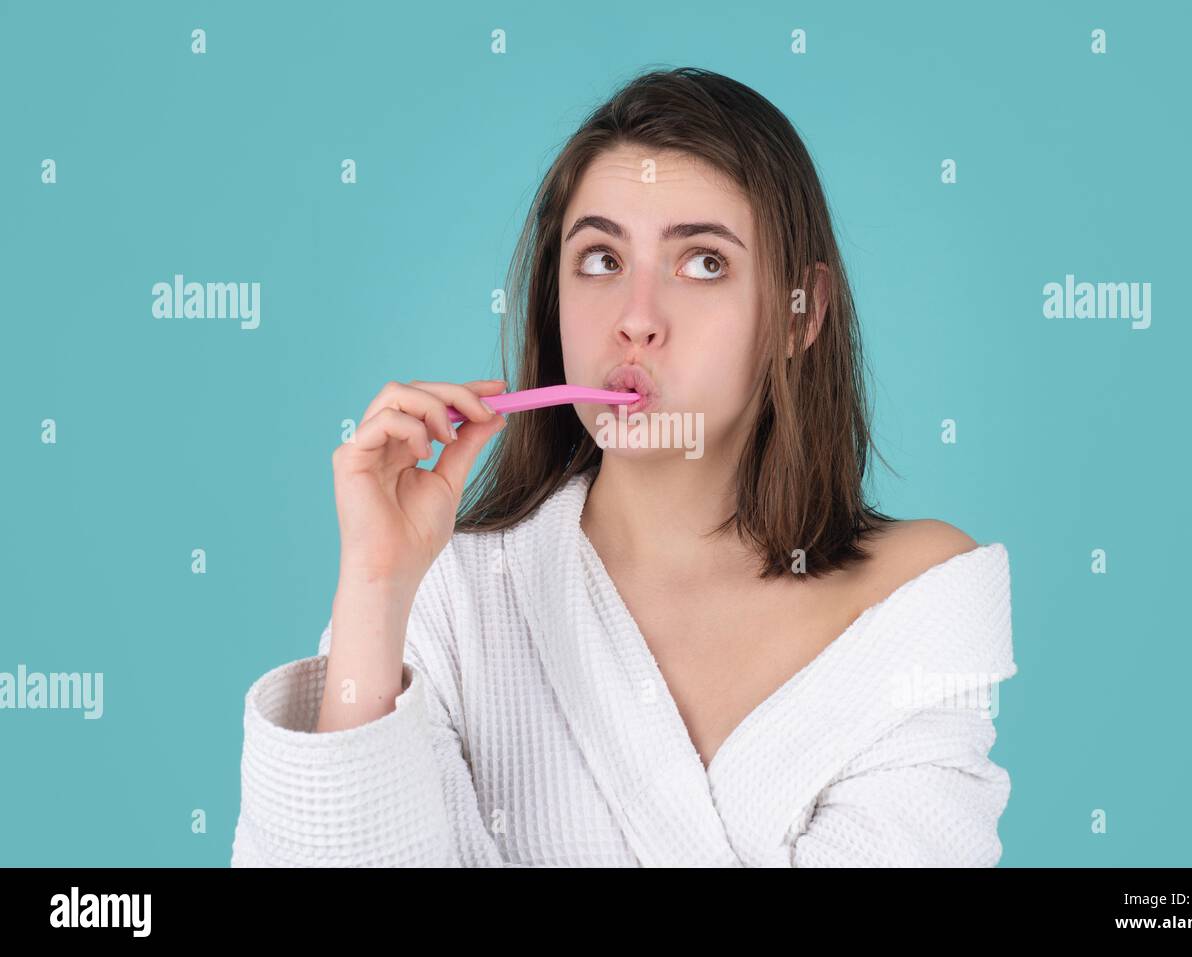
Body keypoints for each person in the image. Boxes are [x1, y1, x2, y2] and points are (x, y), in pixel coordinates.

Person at [231, 66, 1018, 867]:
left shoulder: (914, 603)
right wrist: (374, 584)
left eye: (703, 262)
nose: (636, 319)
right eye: (602, 260)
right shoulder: (447, 598)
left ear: (799, 314)